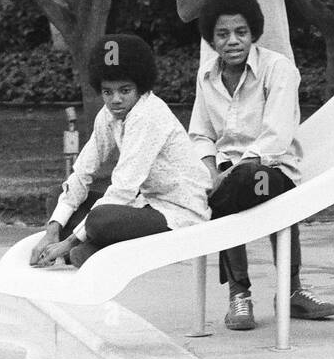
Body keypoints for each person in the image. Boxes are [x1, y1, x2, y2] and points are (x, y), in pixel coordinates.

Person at [170, 0, 334, 321]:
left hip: (274, 68)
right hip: (222, 76)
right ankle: (238, 292)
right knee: (228, 176)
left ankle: (292, 289)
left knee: (279, 172)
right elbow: (183, 9)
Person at [30, 34, 210, 269]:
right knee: (58, 196)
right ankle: (88, 249)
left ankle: (85, 248)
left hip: (179, 212)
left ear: (140, 87)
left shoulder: (149, 115)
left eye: (124, 90)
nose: (115, 100)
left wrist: (67, 241)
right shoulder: (108, 114)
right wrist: (52, 231)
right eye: (107, 92)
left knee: (100, 219)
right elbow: (83, 172)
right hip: (143, 205)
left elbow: (123, 189)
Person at [189, 0, 307, 332]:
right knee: (214, 186)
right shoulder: (207, 75)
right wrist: (211, 170)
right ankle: (241, 296)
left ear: (253, 32)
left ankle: (279, 292)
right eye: (222, 34)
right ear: (211, 39)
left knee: (232, 187)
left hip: (274, 168)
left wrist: (228, 176)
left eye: (241, 32)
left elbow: (275, 136)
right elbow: (200, 133)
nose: (233, 41)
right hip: (226, 172)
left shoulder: (278, 69)